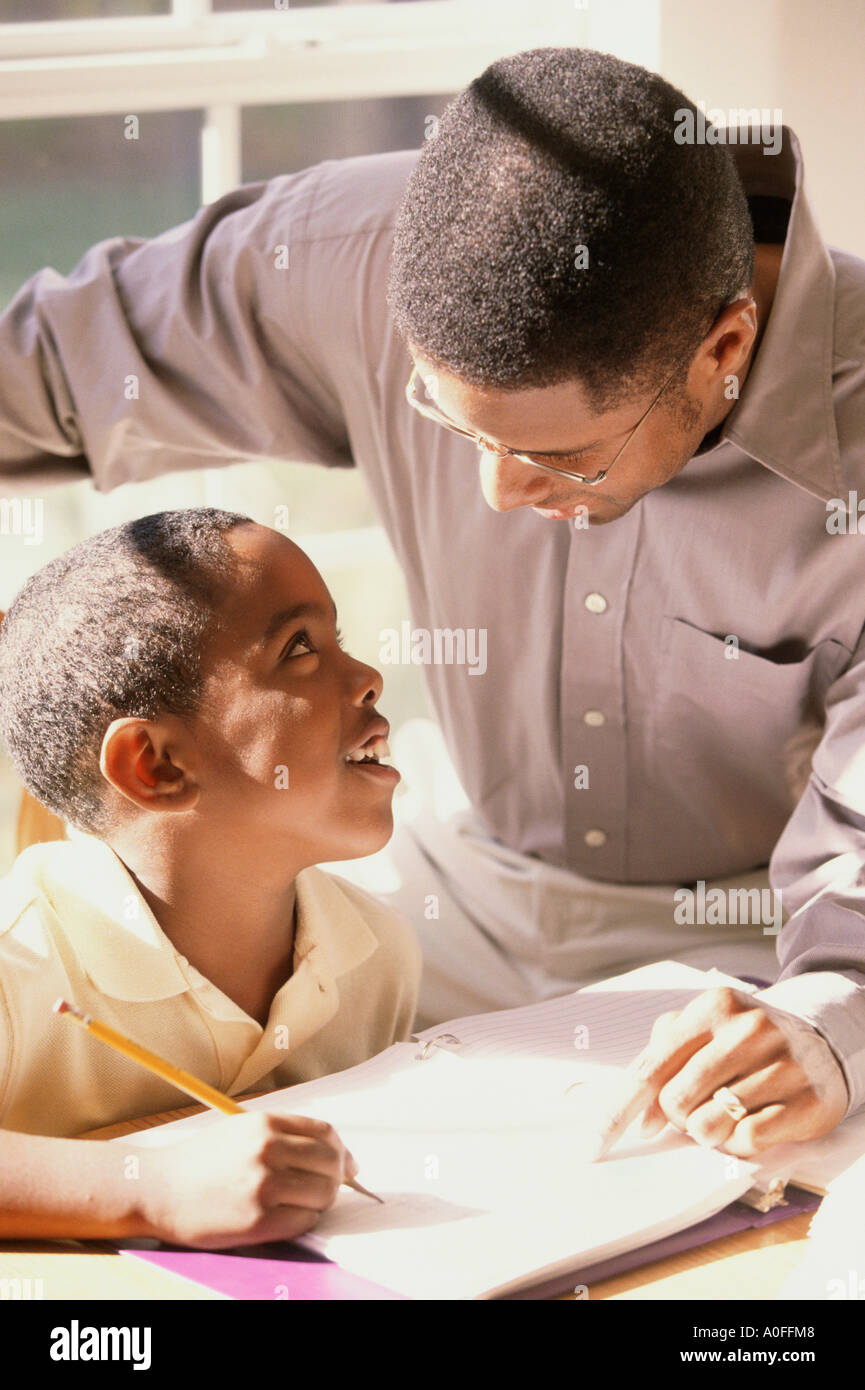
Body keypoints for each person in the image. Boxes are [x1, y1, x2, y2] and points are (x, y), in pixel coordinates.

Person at [0, 45, 862, 1160]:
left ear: (722, 352)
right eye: (450, 423)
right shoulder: (357, 254)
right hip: (441, 899)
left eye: (563, 456)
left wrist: (828, 1028)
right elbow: (49, 374)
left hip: (755, 949)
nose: (495, 494)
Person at [0, 508, 421, 1246]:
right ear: (156, 766)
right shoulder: (18, 965)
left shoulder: (377, 955)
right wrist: (148, 1190)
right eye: (300, 649)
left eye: (339, 638)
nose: (367, 678)